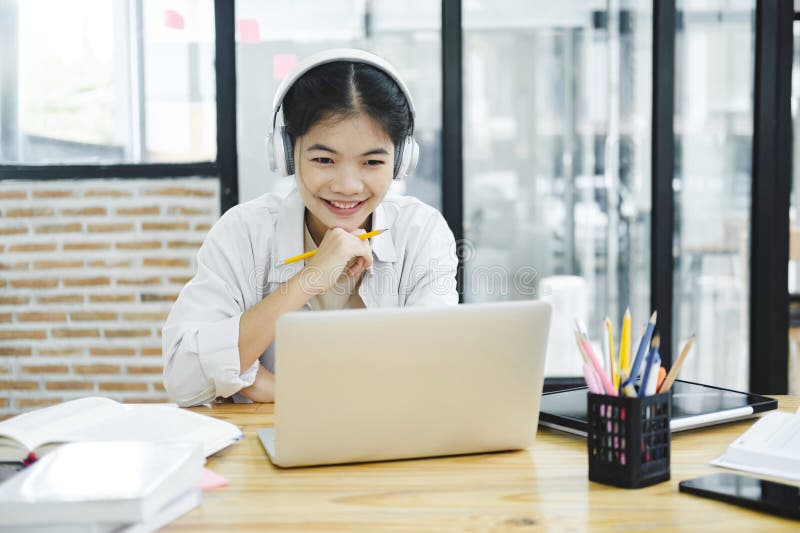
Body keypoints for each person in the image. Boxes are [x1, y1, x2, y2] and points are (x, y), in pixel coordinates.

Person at [162, 49, 457, 407]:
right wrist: (310, 279)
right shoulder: (244, 233)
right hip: (261, 450)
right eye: (323, 160)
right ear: (285, 154)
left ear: (401, 161)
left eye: (372, 162)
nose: (348, 186)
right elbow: (184, 379)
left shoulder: (421, 232)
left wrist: (264, 383)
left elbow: (432, 374)